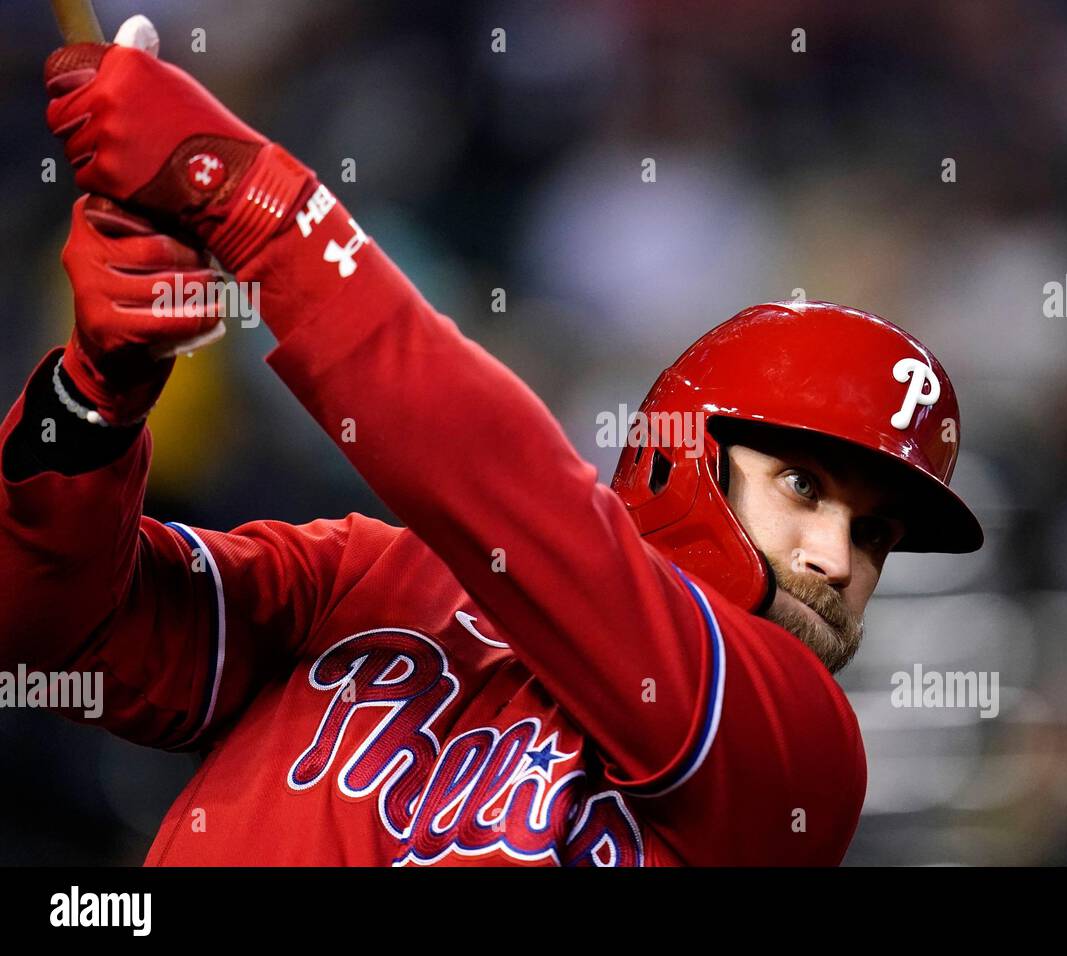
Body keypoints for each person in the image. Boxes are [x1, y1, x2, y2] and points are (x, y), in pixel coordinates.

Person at [0, 32, 980, 866]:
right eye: (804, 485)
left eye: (878, 534)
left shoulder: (799, 748)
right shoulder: (370, 575)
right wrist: (98, 389)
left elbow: (499, 478)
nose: (837, 557)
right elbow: (58, 625)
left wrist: (250, 195)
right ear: (683, 453)